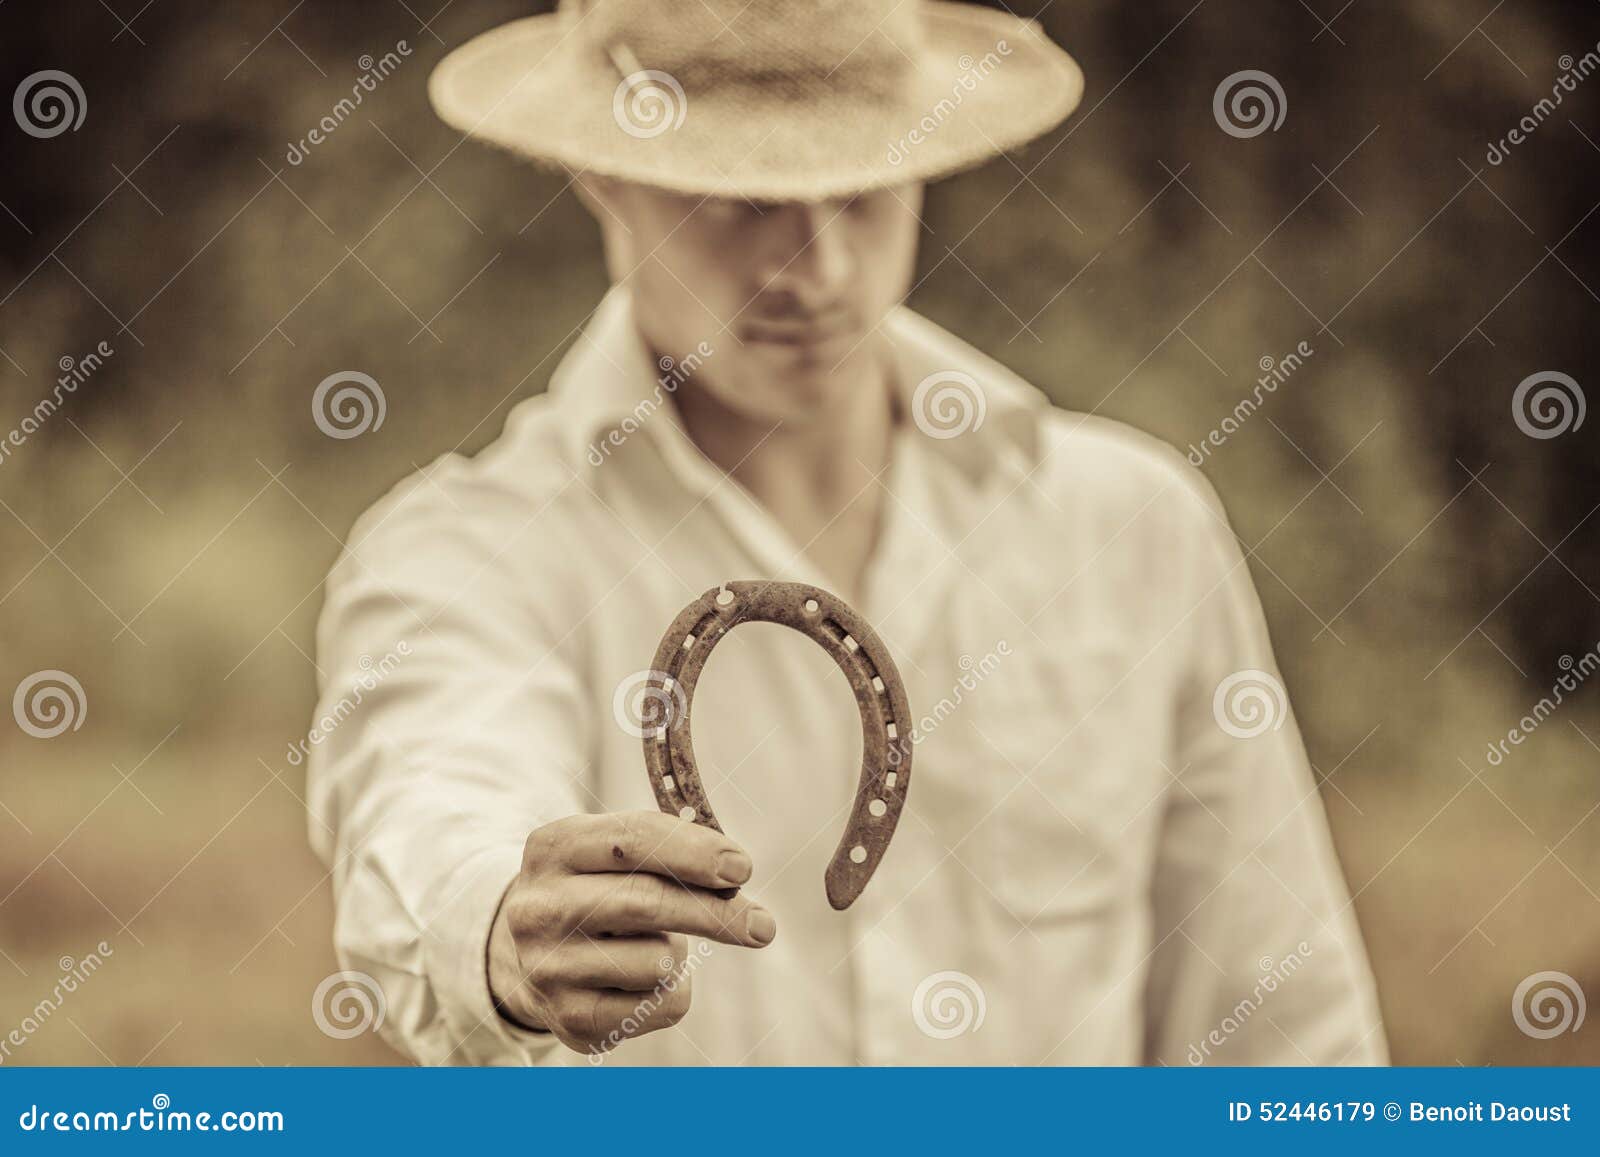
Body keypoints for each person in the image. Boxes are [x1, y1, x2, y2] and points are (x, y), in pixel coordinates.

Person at [306, 0, 1387, 1066]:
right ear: (600, 173)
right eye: (741, 200)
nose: (814, 270)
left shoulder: (1130, 527)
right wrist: (503, 925)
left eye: (864, 193)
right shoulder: (467, 555)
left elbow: (1279, 1016)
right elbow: (431, 799)